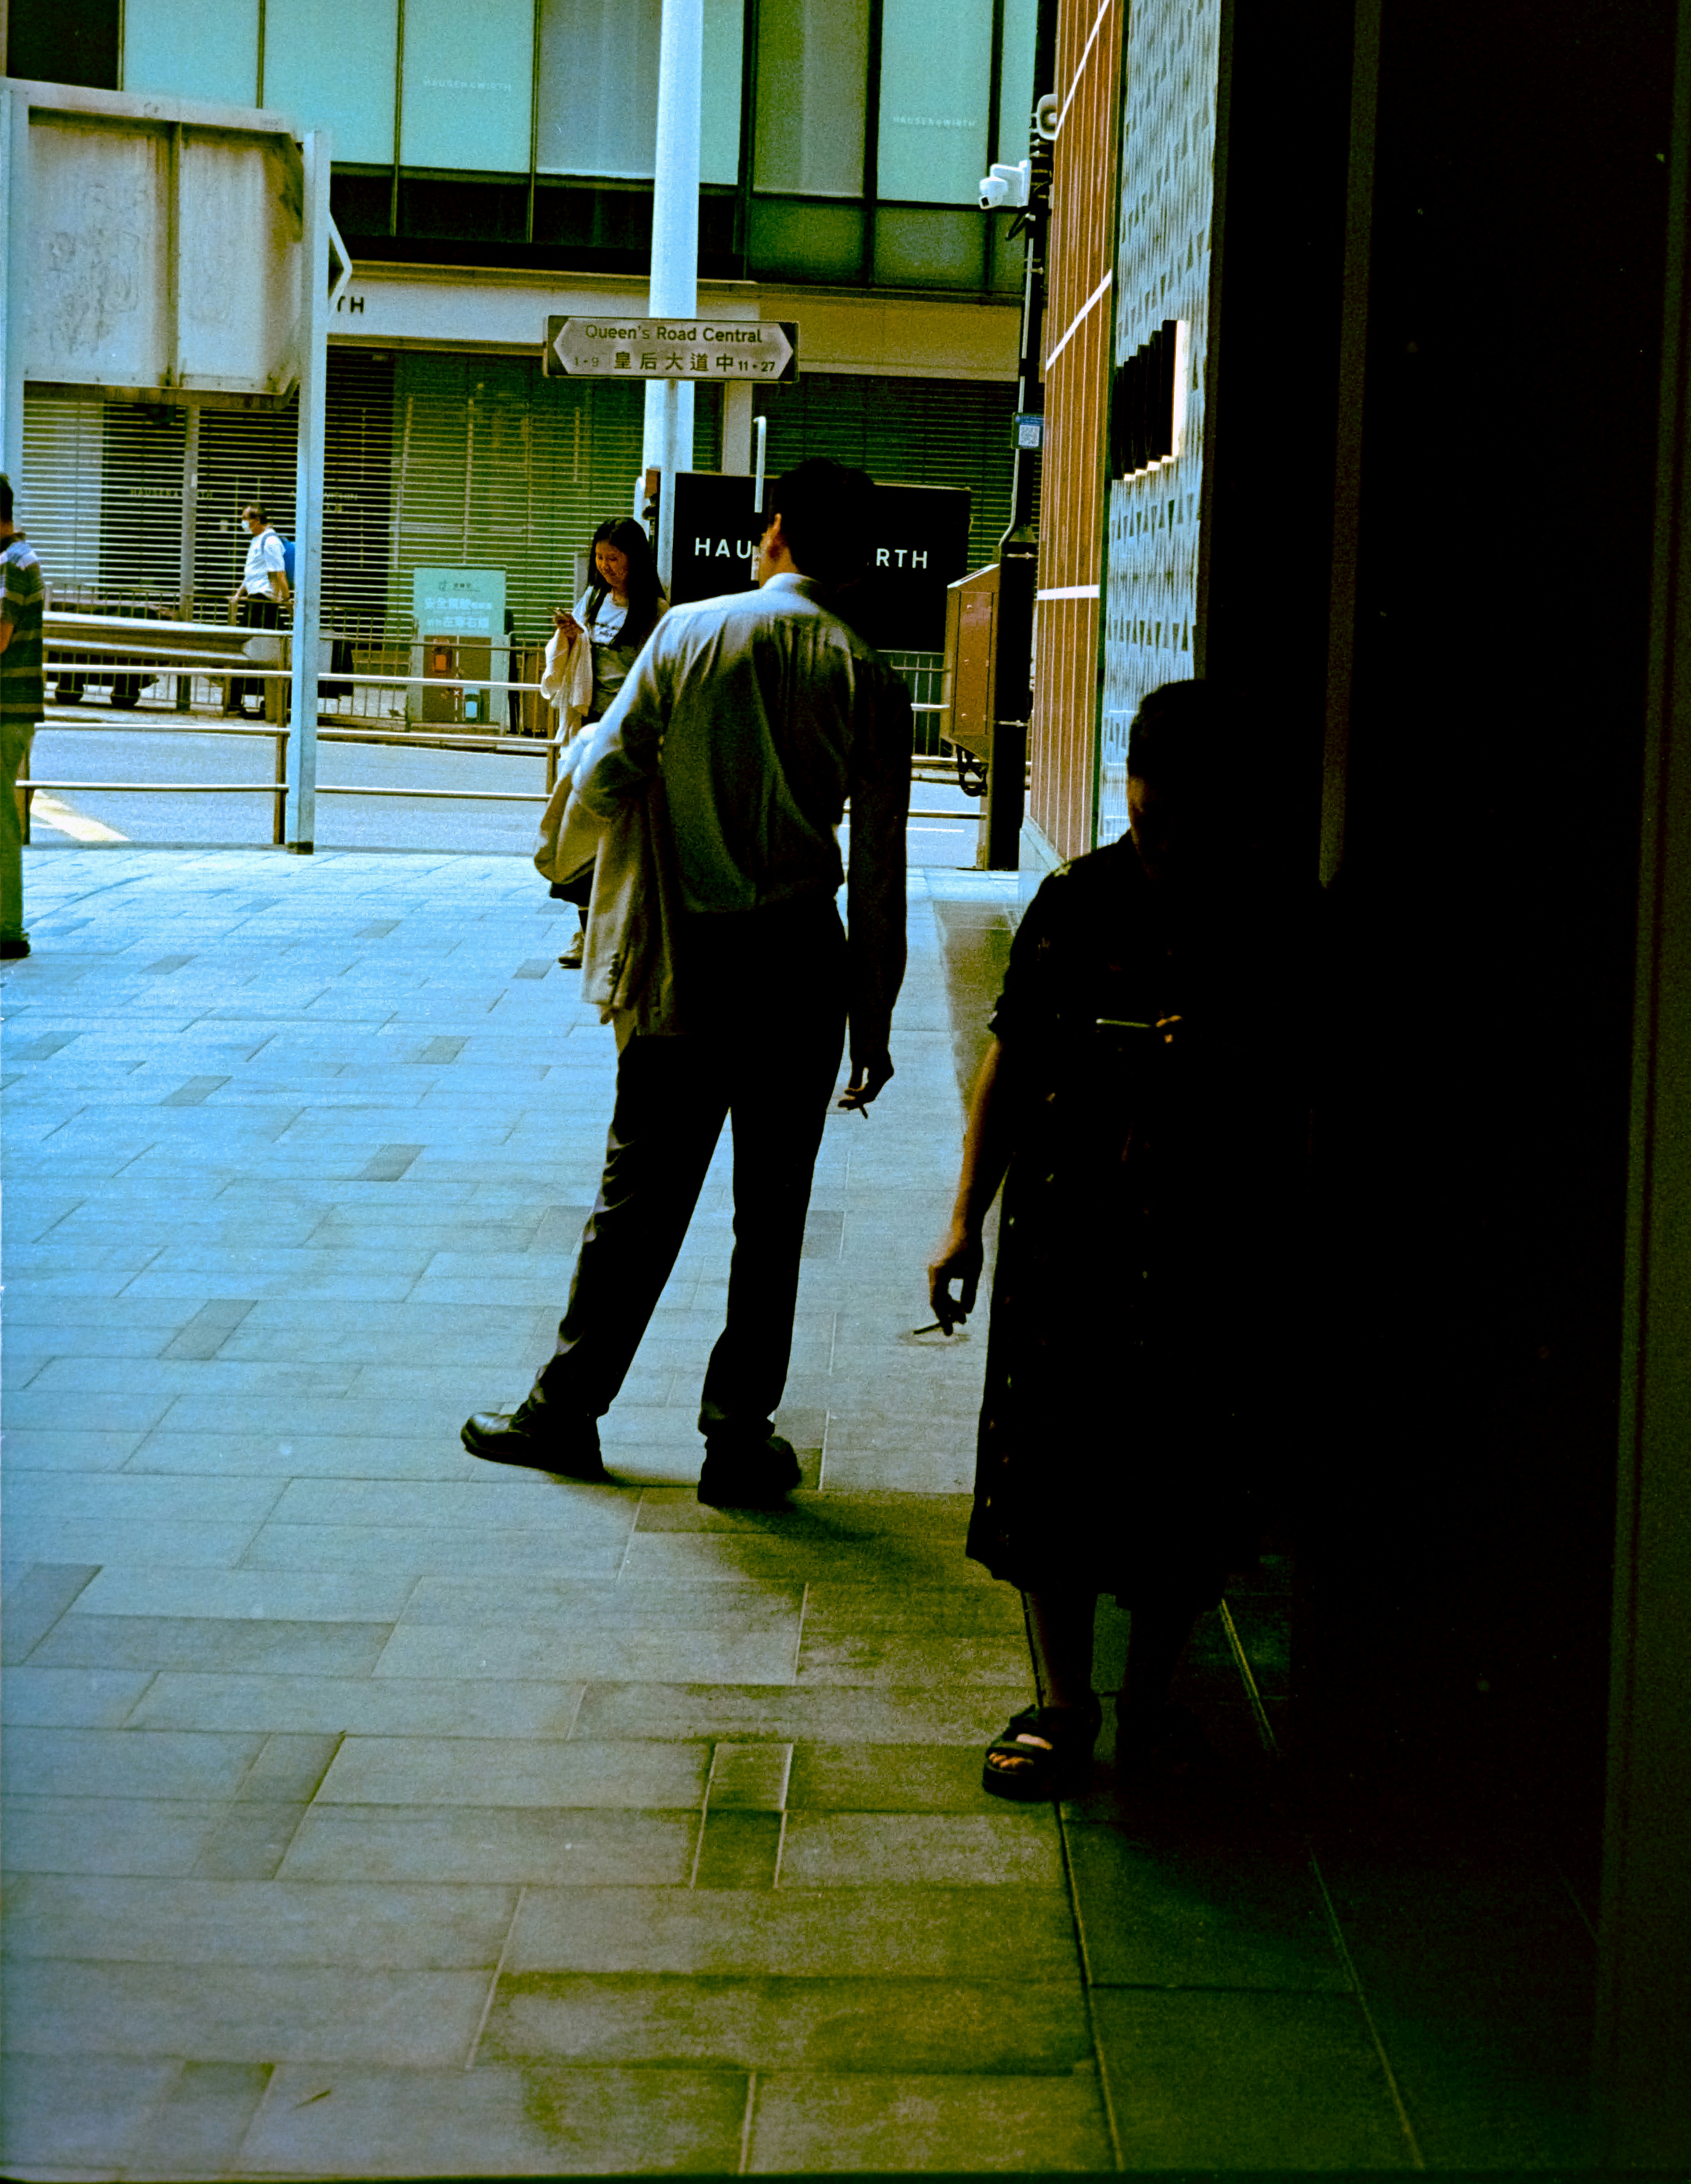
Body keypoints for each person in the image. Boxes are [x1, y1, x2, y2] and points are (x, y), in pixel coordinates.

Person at [465, 457, 913, 1508]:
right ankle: (736, 1437)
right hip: (801, 968)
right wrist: (874, 1017)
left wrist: (594, 854)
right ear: (855, 560)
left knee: (639, 1198)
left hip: (686, 965)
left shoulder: (687, 634)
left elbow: (606, 770)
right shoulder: (871, 678)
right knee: (773, 1216)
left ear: (775, 530)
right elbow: (881, 872)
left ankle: (566, 1406)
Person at [924, 680, 1237, 1797]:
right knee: (1047, 1454)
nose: (1163, 840)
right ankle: (1065, 1699)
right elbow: (1010, 1058)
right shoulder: (1075, 898)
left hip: (1202, 1227)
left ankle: (1151, 1701)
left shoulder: (1260, 914)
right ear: (1128, 788)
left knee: (1184, 1465)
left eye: (1187, 820)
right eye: (1148, 815)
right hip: (1067, 1221)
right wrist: (964, 1218)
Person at [539, 518, 665, 966]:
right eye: (600, 558)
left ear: (636, 559)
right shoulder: (593, 600)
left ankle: (624, 937)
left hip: (629, 735)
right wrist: (572, 637)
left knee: (625, 841)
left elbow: (659, 673)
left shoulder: (657, 611)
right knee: (581, 832)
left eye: (615, 558)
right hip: (588, 728)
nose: (606, 566)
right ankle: (586, 932)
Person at [0, 476, 45, 963]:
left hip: (6, 707)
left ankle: (7, 929)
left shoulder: (12, 564)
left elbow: (1, 636)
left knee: (1, 822)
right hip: (10, 707)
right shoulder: (16, 558)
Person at [229, 503, 290, 718]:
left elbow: (279, 573)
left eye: (245, 519)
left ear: (256, 521)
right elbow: (252, 573)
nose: (243, 523)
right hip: (256, 601)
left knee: (266, 653)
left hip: (264, 603)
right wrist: (239, 594)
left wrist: (287, 599)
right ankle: (239, 701)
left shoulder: (271, 541)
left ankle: (270, 701)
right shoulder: (257, 540)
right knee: (253, 651)